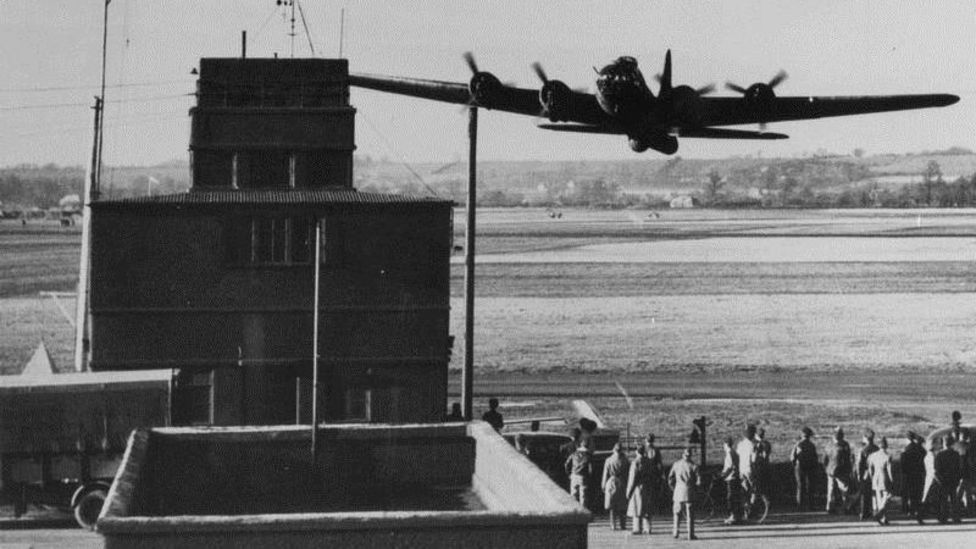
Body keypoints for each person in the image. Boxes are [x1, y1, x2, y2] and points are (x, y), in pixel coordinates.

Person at [669, 447, 700, 540]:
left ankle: (675, 532)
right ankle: (690, 534)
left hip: (678, 491)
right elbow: (699, 481)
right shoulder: (694, 466)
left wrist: (673, 488)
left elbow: (670, 479)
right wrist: (695, 489)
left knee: (677, 513)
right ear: (691, 455)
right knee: (690, 515)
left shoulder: (676, 464)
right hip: (690, 492)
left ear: (683, 455)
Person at [823, 427, 853, 514]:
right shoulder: (844, 445)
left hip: (830, 470)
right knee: (844, 489)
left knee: (831, 490)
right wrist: (849, 470)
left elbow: (825, 459)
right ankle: (845, 507)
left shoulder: (828, 444)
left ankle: (829, 507)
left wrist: (826, 468)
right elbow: (847, 459)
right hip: (841, 471)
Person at [626, 445, 654, 534]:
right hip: (648, 486)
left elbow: (632, 478)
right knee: (647, 508)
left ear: (636, 452)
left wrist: (629, 491)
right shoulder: (649, 461)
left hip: (638, 487)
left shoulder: (635, 462)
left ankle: (637, 528)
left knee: (637, 508)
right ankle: (648, 528)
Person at [602, 443, 630, 531]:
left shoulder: (609, 460)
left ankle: (613, 525)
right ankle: (622, 524)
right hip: (622, 482)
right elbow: (628, 473)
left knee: (612, 506)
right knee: (622, 505)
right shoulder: (625, 460)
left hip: (611, 481)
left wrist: (603, 485)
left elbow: (605, 474)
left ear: (613, 450)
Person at [867, 436, 894, 525]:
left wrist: (872, 477)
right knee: (887, 497)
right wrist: (892, 480)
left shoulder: (873, 455)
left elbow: (870, 469)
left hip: (876, 478)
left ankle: (883, 518)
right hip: (885, 478)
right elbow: (890, 471)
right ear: (886, 445)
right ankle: (881, 514)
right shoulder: (888, 456)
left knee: (879, 498)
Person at [791, 426, 818, 510]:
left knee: (800, 486)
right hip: (810, 467)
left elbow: (792, 457)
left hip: (800, 467)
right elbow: (815, 458)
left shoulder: (798, 445)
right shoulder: (811, 445)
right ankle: (810, 505)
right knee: (810, 486)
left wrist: (795, 464)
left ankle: (800, 505)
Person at [854, 429, 879, 520]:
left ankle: (864, 513)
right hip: (876, 474)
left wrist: (858, 475)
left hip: (866, 474)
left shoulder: (863, 450)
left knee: (864, 494)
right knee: (874, 494)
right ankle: (874, 511)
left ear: (865, 438)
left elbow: (859, 464)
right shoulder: (877, 448)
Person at [900, 431, 926, 517]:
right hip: (918, 473)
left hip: (908, 474)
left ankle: (907, 510)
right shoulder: (920, 449)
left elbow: (902, 464)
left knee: (907, 493)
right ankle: (916, 509)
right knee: (917, 493)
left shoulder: (906, 449)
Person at [565, 439, 594, 507]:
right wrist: (589, 477)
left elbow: (566, 464)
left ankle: (573, 510)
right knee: (583, 497)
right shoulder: (588, 455)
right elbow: (591, 469)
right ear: (588, 446)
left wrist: (569, 474)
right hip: (583, 477)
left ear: (581, 445)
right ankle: (583, 511)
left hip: (574, 475)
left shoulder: (574, 454)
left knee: (573, 495)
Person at [720, 437, 742, 525]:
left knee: (731, 498)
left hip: (731, 478)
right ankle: (736, 516)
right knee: (735, 497)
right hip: (736, 477)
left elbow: (729, 467)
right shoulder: (734, 452)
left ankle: (733, 516)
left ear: (726, 444)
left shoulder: (729, 454)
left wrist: (723, 475)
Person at [736, 425, 758, 512]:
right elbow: (754, 460)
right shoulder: (752, 445)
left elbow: (738, 456)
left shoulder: (740, 444)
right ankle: (751, 508)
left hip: (742, 470)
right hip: (750, 470)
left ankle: (745, 508)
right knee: (753, 490)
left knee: (744, 490)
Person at [752, 428, 772, 519]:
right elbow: (766, 456)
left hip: (757, 468)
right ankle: (764, 505)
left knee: (755, 489)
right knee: (762, 488)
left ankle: (754, 508)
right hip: (764, 468)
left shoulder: (754, 443)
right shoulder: (766, 444)